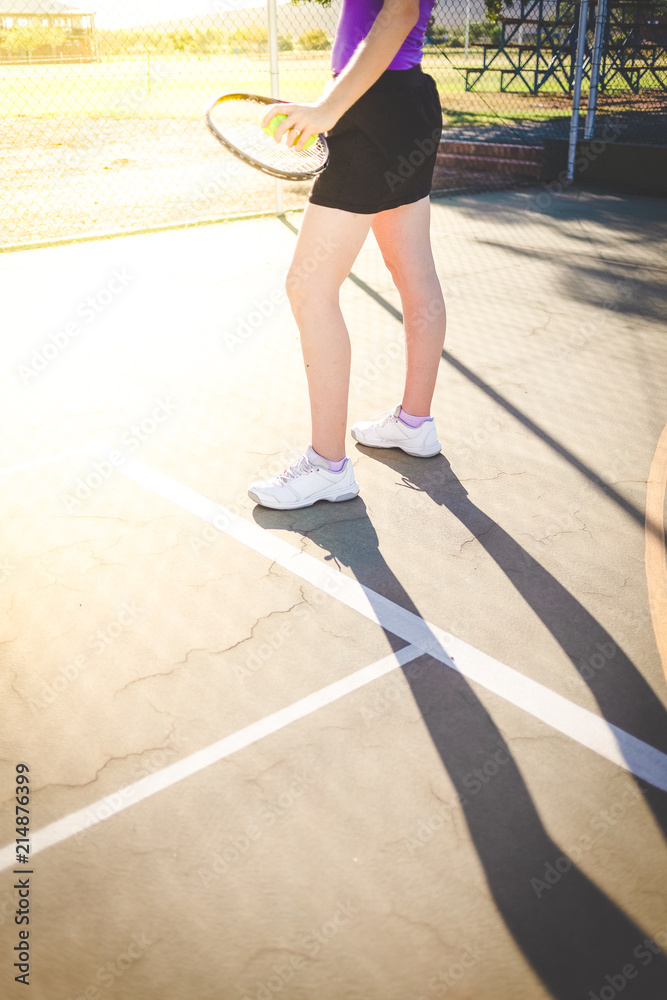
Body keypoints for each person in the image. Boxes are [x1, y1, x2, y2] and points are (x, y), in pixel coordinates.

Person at [248, 0, 446, 511]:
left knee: (308, 288)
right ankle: (414, 424)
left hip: (374, 108)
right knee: (413, 270)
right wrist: (331, 104)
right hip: (407, 100)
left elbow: (398, 12)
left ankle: (327, 466)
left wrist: (329, 110)